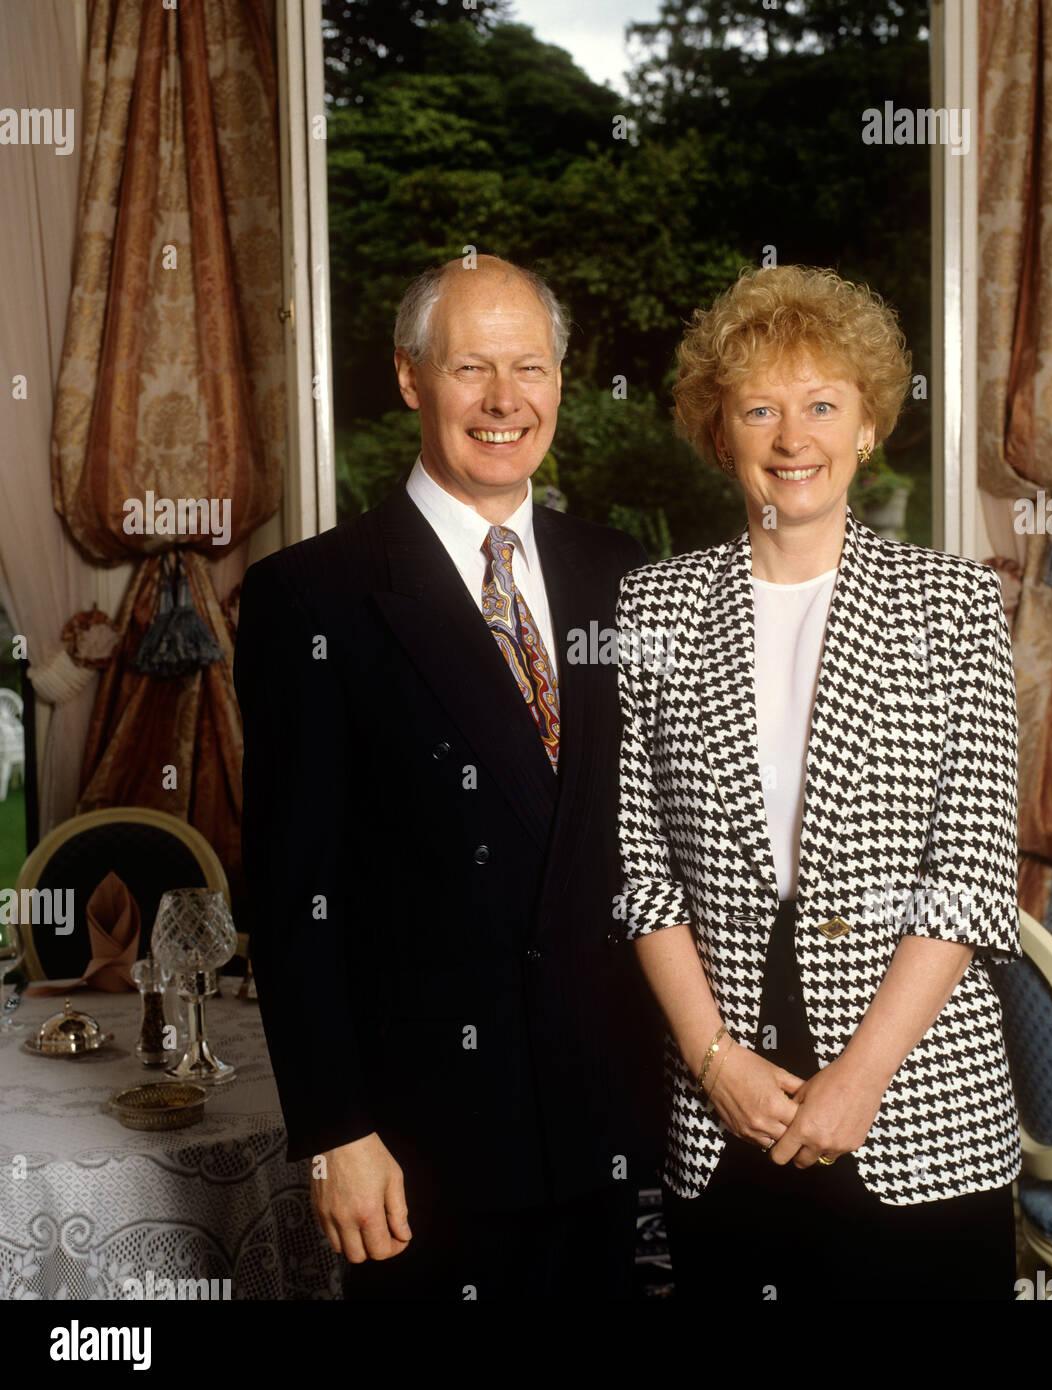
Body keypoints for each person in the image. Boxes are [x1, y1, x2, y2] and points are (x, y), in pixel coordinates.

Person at [234, 254, 658, 1300]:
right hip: (424, 1142)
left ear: (562, 380)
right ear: (411, 377)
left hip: (607, 1118)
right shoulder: (312, 597)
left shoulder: (621, 572)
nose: (506, 399)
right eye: (473, 367)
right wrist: (336, 1129)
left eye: (532, 367)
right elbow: (296, 893)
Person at [615, 264, 1022, 1300]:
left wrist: (862, 1078)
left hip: (921, 1111)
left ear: (870, 424)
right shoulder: (652, 609)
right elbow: (639, 870)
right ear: (722, 432)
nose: (794, 437)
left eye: (823, 404)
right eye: (761, 408)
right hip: (725, 1114)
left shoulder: (955, 604)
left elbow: (969, 874)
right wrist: (714, 1059)